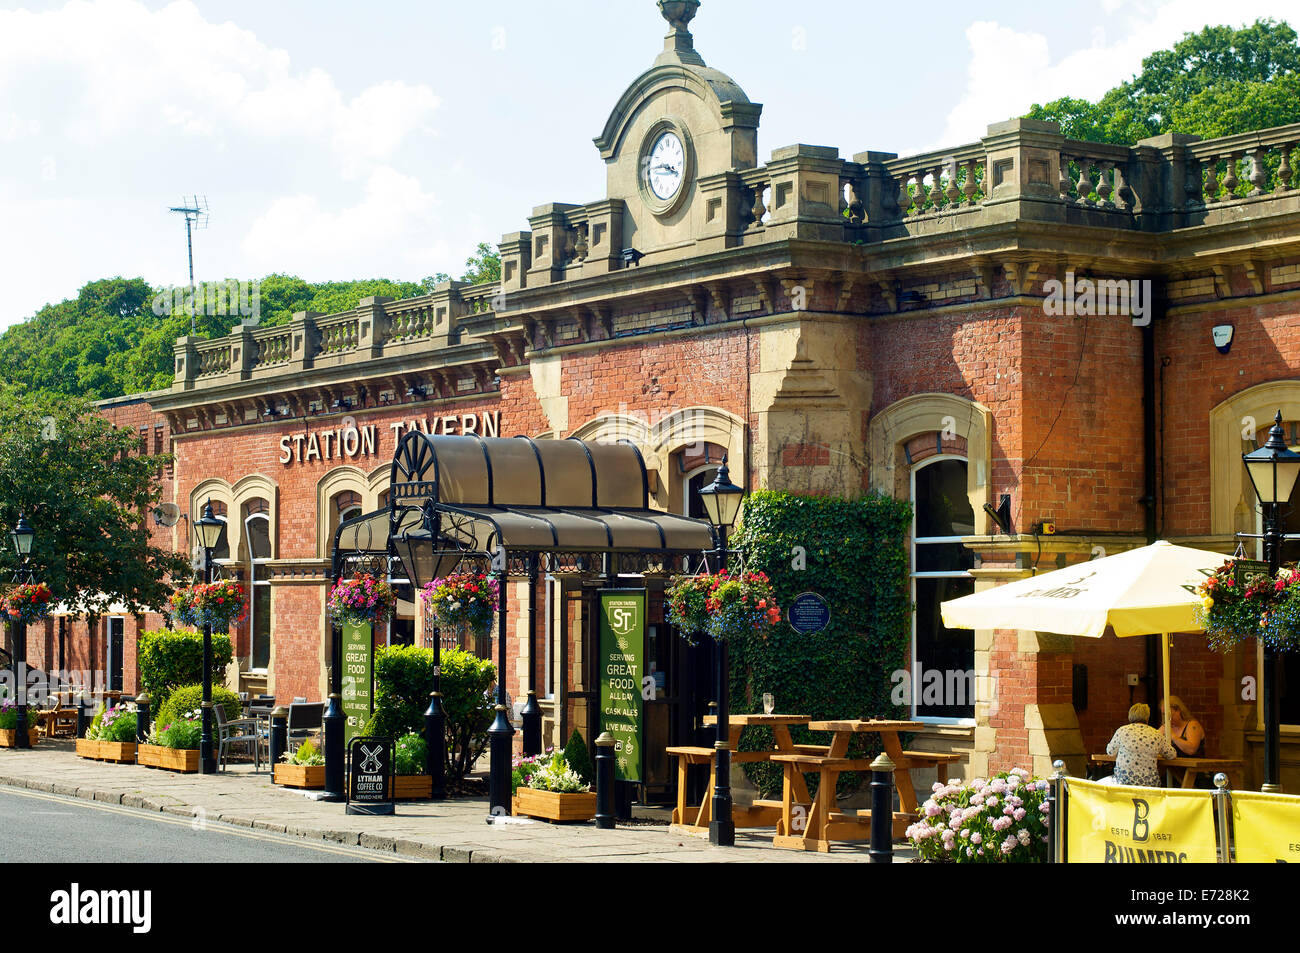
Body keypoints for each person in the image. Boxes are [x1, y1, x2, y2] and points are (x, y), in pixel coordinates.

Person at [1102, 703, 1177, 787]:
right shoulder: (1156, 734)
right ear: (1147, 717)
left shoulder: (1122, 731)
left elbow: (1110, 751)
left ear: (1130, 716)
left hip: (1123, 781)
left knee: (1099, 782)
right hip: (1150, 783)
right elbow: (1172, 754)